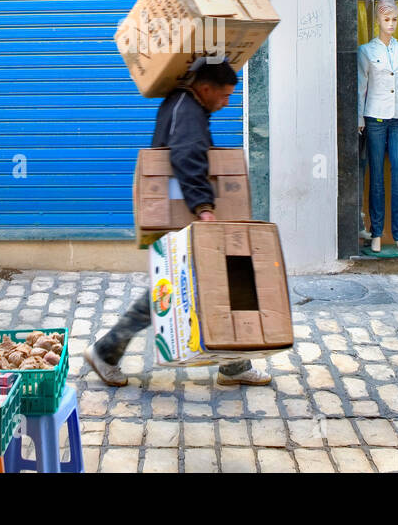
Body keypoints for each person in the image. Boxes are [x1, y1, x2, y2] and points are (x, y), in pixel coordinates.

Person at [84, 59, 270, 387]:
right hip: (185, 215)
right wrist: (205, 208)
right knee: (174, 291)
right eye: (224, 95)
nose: (226, 103)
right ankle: (106, 351)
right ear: (206, 88)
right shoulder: (188, 112)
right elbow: (186, 157)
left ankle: (234, 364)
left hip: (178, 213)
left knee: (210, 285)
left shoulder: (185, 103)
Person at [358, 0, 398, 253]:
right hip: (375, 117)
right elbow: (362, 86)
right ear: (377, 21)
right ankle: (376, 232)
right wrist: (359, 117)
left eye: (394, 19)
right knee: (376, 175)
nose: (391, 24)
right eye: (386, 19)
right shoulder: (366, 51)